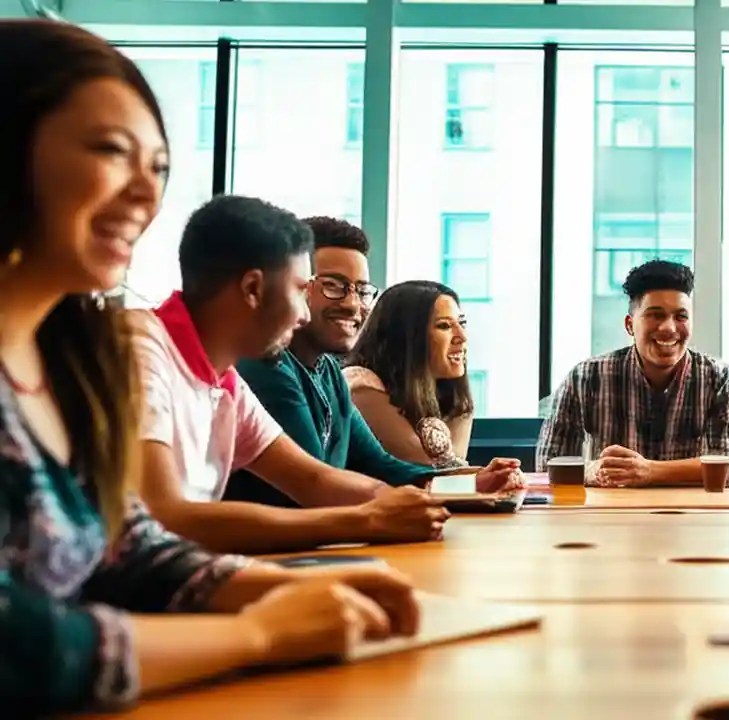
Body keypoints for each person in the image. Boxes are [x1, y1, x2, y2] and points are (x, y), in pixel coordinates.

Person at [0, 20, 425, 712]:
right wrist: (257, 635)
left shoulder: (71, 357)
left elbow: (129, 544)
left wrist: (294, 591)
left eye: (159, 167)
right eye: (113, 151)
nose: (146, 194)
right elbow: (17, 642)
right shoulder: (133, 350)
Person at [131, 195, 454, 554]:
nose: (303, 314)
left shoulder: (225, 379)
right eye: (302, 290)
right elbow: (163, 518)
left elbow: (313, 479)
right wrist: (370, 519)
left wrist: (405, 503)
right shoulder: (140, 351)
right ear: (253, 289)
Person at [226, 220, 520, 508]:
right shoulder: (265, 365)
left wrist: (472, 484)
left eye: (362, 290)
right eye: (333, 286)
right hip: (276, 550)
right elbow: (316, 485)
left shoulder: (329, 373)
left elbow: (382, 467)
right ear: (295, 285)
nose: (353, 304)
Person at [535, 260, 729, 487]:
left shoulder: (720, 378)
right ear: (630, 325)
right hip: (610, 515)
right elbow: (547, 464)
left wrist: (649, 471)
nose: (669, 328)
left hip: (690, 515)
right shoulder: (586, 377)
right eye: (655, 315)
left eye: (681, 317)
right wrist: (592, 471)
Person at [343, 280, 518, 479]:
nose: (461, 337)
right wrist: (484, 477)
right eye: (444, 326)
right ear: (407, 336)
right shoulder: (362, 384)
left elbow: (452, 471)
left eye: (461, 323)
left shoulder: (448, 388)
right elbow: (428, 472)